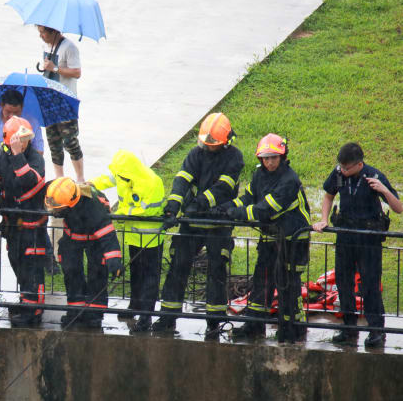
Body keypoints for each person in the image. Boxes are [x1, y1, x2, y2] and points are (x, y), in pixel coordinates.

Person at [151, 112, 244, 339]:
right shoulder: (195, 154)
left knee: (217, 270)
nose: (208, 146)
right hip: (192, 223)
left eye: (213, 143)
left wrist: (199, 203)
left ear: (225, 141)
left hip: (218, 223)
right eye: (206, 142)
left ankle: (214, 322)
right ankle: (168, 316)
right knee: (178, 265)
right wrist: (173, 207)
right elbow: (182, 179)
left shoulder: (234, 158)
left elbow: (224, 187)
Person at [221, 134, 311, 343]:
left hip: (293, 240)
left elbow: (266, 210)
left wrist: (240, 213)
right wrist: (227, 207)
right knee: (262, 280)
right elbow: (249, 198)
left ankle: (293, 327)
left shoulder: (289, 180)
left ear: (282, 156)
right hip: (271, 236)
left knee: (288, 284)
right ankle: (254, 324)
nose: (269, 162)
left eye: (274, 157)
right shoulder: (259, 176)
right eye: (266, 158)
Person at [313, 142, 402, 347]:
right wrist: (324, 219)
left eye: (347, 168)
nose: (343, 171)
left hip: (368, 238)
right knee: (344, 283)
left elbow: (398, 208)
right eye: (341, 167)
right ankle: (348, 328)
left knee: (370, 284)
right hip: (345, 237)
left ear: (359, 164)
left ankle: (376, 331)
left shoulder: (374, 177)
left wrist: (383, 191)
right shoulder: (338, 173)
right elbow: (328, 195)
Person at [90, 150, 165, 331]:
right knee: (136, 273)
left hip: (150, 239)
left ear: (130, 172)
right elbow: (109, 179)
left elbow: (145, 210)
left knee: (149, 277)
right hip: (133, 236)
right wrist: (90, 184)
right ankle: (135, 305)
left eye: (121, 175)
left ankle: (146, 317)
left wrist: (119, 214)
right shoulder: (124, 173)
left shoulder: (152, 183)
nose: (119, 178)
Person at [0, 116, 48, 327]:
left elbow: (27, 182)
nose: (22, 143)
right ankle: (25, 302)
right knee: (17, 263)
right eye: (18, 140)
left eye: (23, 139)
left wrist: (16, 156)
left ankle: (34, 310)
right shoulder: (3, 154)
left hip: (32, 226)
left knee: (31, 268)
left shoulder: (35, 159)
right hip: (12, 224)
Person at [46, 177, 123, 328]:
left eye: (58, 208)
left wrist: (114, 261)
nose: (54, 211)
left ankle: (95, 314)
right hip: (72, 237)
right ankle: (75, 310)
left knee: (97, 271)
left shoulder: (93, 207)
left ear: (71, 204)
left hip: (96, 239)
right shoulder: (60, 192)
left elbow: (107, 235)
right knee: (71, 270)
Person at [37, 24, 84, 182]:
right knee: (53, 142)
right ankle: (59, 178)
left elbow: (77, 72)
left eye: (42, 32)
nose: (40, 36)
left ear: (54, 31)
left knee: (70, 141)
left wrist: (55, 68)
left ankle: (80, 178)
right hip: (49, 101)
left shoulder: (69, 48)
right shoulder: (46, 45)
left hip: (65, 101)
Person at [0, 89, 43, 179]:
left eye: (16, 112)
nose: (12, 116)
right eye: (8, 111)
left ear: (22, 107)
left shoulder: (32, 123)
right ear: (1, 105)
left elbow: (39, 152)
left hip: (18, 180)